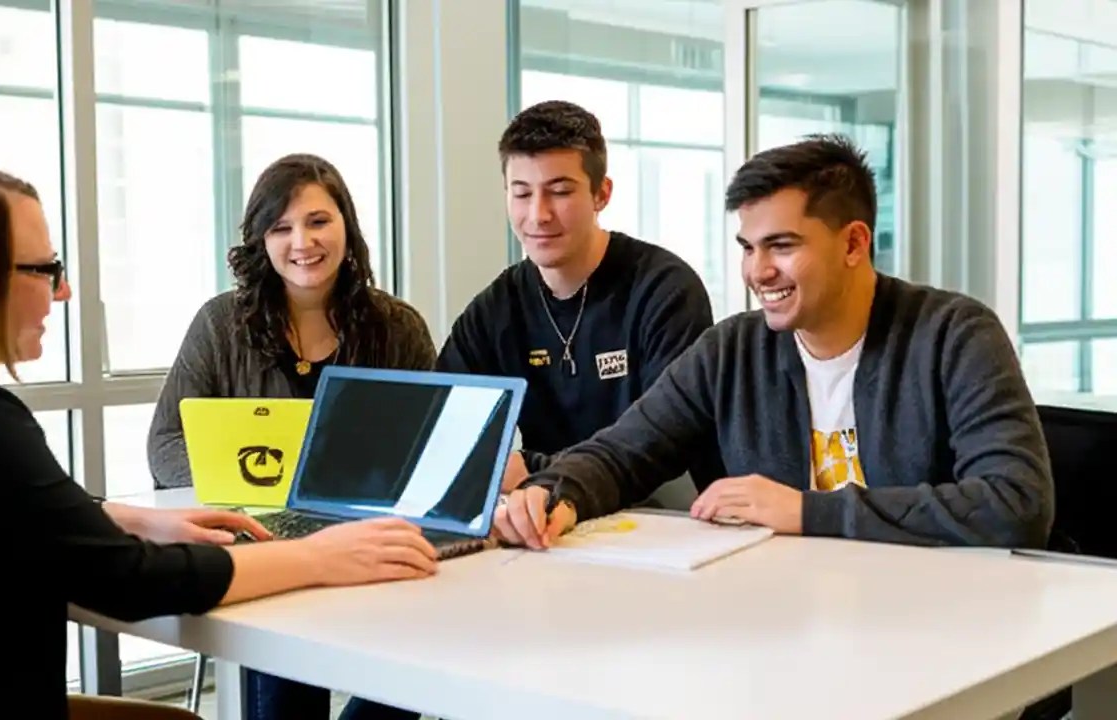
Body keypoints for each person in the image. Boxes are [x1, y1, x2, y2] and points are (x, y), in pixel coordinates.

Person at [0, 164, 438, 719]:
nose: (65, 292)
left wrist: (122, 517)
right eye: (47, 270)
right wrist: (318, 556)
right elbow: (130, 583)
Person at [493, 134, 1054, 551]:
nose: (758, 272)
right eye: (747, 247)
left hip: (937, 625)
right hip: (786, 621)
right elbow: (621, 453)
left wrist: (806, 511)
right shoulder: (733, 349)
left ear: (854, 243)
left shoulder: (954, 336)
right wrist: (555, 493)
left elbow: (1015, 503)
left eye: (781, 246)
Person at [148, 154, 433, 720]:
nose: (302, 241)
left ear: (346, 227)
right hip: (264, 540)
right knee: (285, 695)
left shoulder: (397, 328)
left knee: (411, 678)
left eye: (318, 221)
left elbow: (426, 446)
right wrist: (251, 495)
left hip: (370, 536)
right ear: (261, 240)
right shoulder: (220, 325)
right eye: (281, 227)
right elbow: (165, 444)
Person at [436, 100, 716, 497]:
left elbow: (664, 442)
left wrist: (532, 468)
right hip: (545, 511)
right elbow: (446, 425)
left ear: (602, 193)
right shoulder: (498, 308)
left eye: (560, 192)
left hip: (657, 511)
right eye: (521, 194)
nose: (538, 215)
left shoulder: (664, 290)